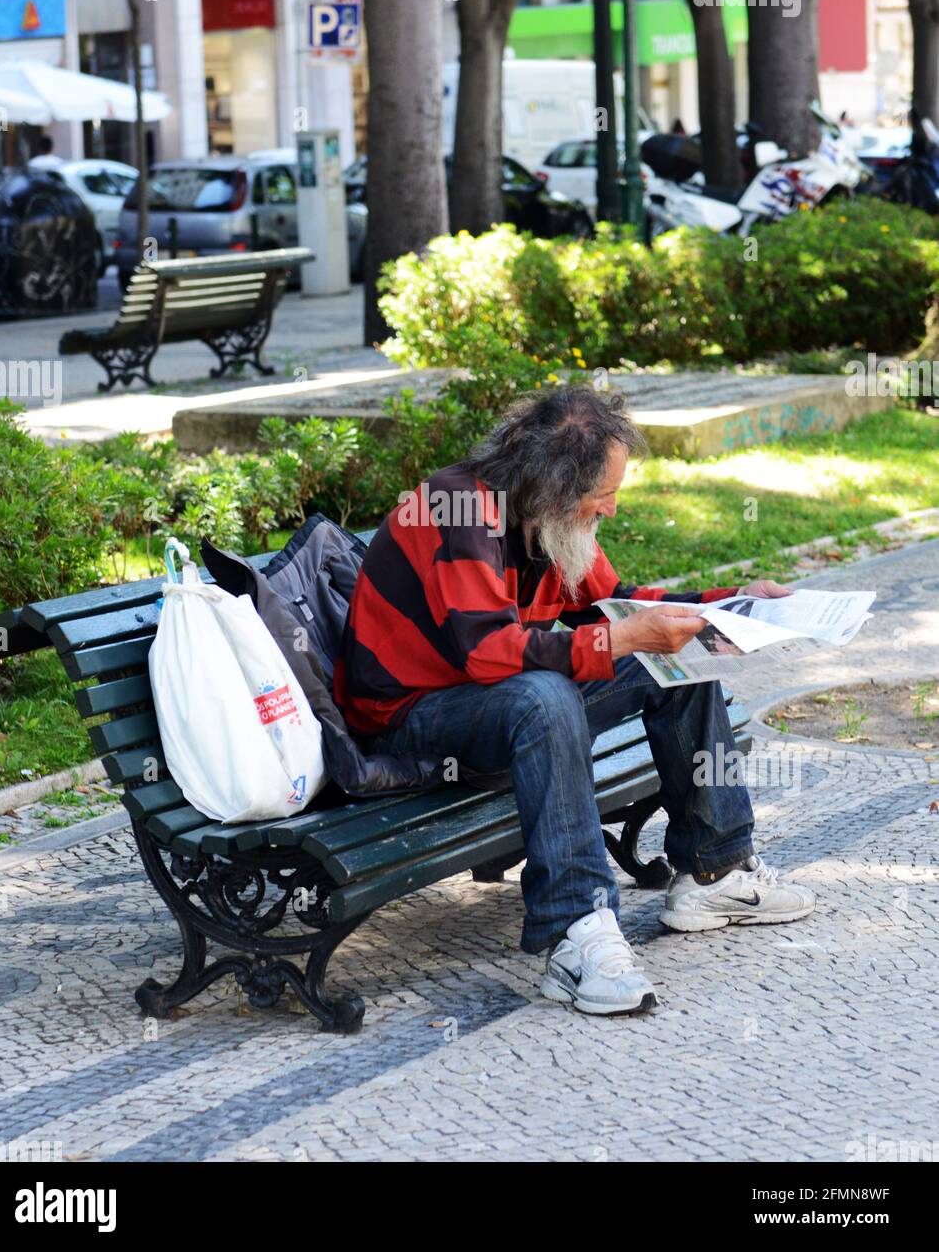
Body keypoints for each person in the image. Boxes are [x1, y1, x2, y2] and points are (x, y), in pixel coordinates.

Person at [335, 387, 815, 1017]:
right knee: (544, 696)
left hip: (492, 703)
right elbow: (484, 650)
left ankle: (714, 872)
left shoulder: (554, 523)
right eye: (604, 495)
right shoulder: (454, 506)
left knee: (676, 655)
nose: (611, 510)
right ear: (555, 487)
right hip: (409, 719)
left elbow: (620, 602)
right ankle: (576, 934)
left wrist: (727, 604)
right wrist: (619, 636)